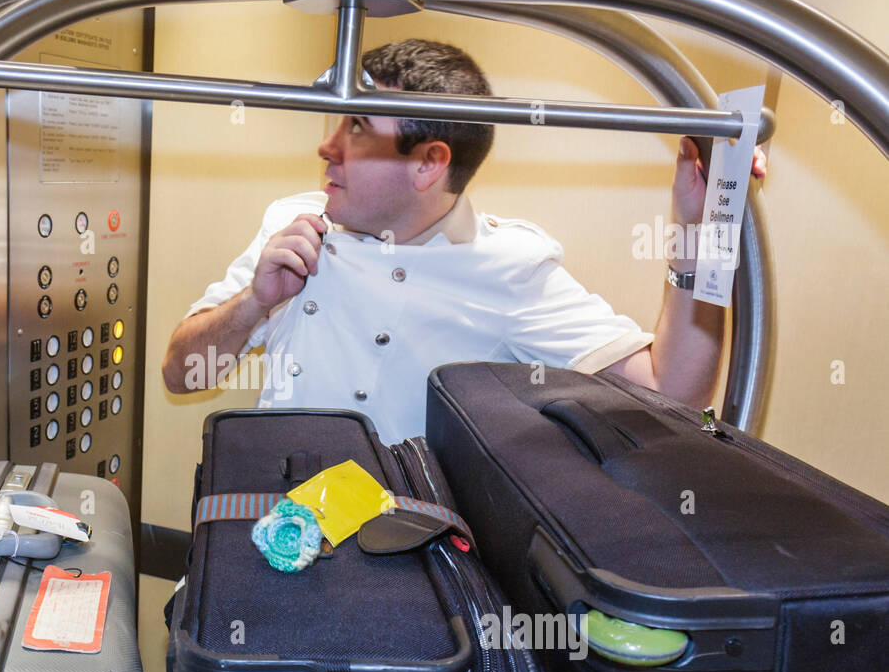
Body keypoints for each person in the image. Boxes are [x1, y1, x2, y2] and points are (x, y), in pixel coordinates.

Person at [161, 39, 765, 445]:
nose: (327, 146)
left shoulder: (507, 268)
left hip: (404, 569)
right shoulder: (292, 223)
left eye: (357, 128)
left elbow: (674, 395)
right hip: (268, 530)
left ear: (428, 165)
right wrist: (253, 305)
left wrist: (697, 225)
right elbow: (180, 375)